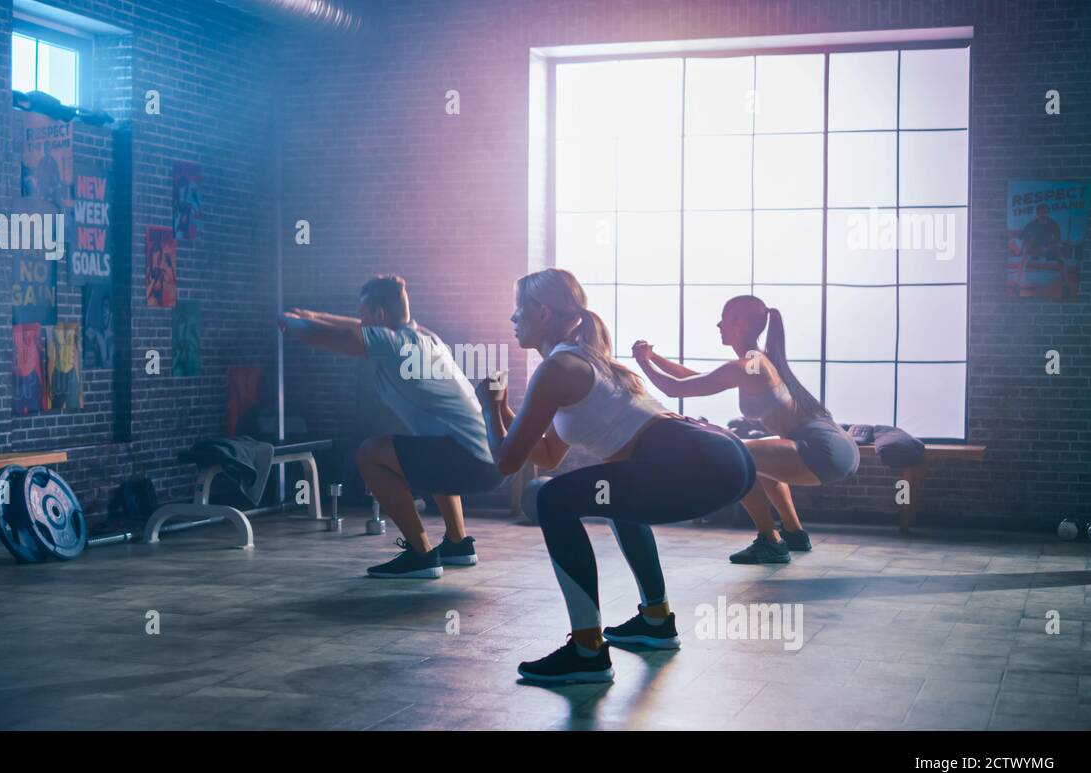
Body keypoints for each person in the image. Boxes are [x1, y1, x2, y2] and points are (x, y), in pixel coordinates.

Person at [477, 268, 756, 684]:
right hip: (720, 455)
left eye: (519, 309)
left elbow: (506, 462)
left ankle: (587, 649)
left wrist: (488, 406)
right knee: (613, 490)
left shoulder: (559, 368)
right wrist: (502, 411)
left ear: (542, 313)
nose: (513, 319)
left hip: (692, 457)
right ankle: (656, 621)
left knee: (552, 499)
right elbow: (549, 453)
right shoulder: (586, 362)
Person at [280, 275, 503, 579]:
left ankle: (422, 554)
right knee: (428, 441)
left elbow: (321, 337)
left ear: (380, 315)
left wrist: (290, 321)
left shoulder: (393, 344)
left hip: (470, 463)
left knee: (370, 453)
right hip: (492, 460)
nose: (359, 320)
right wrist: (313, 315)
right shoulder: (427, 337)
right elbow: (355, 327)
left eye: (363, 312)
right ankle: (457, 544)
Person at [631, 295, 859, 565]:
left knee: (738, 456)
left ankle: (771, 542)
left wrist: (642, 362)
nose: (718, 325)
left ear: (740, 324)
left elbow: (675, 388)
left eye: (723, 319)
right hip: (838, 449)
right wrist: (654, 356)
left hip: (825, 450)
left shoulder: (751, 366)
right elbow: (694, 378)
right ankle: (794, 533)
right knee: (760, 458)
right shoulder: (755, 362)